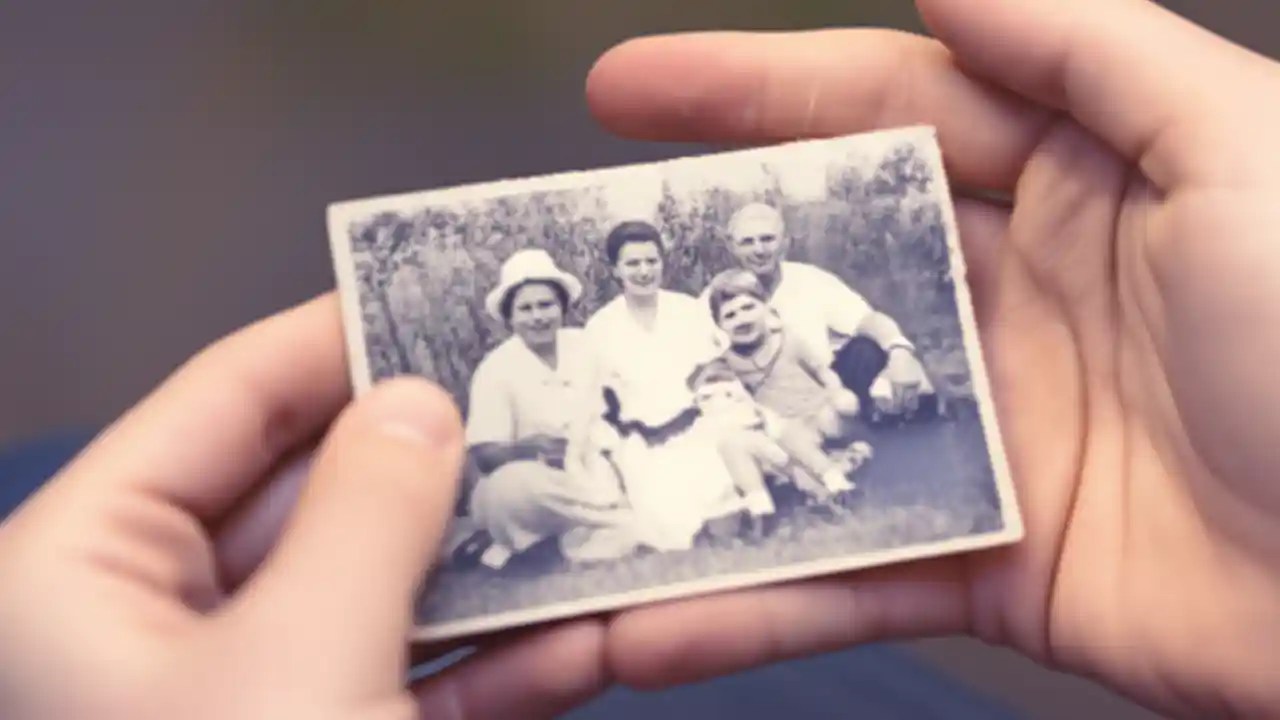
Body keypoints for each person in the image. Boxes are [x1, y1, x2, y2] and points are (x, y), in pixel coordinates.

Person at [0, 1, 1277, 719]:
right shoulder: (609, 334)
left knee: (50, 486)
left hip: (760, 431)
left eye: (618, 275)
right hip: (599, 470)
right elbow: (599, 412)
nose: (616, 290)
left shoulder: (761, 293)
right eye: (588, 282)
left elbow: (831, 343)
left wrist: (844, 370)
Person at [566, 220, 743, 552]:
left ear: (663, 262)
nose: (644, 271)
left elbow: (717, 372)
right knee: (673, 535)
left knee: (725, 525)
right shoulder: (601, 328)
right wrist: (583, 458)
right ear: (615, 269)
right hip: (643, 445)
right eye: (633, 263)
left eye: (652, 261)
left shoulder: (687, 310)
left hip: (698, 431)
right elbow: (589, 403)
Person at [462, 248, 640, 570]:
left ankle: (531, 550)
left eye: (546, 305)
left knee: (636, 505)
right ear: (509, 317)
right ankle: (538, 537)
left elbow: (620, 402)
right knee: (509, 488)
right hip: (536, 482)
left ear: (562, 307)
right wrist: (530, 448)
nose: (538, 317)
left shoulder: (584, 345)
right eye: (525, 309)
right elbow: (485, 455)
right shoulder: (496, 369)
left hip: (590, 469)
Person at [703, 268, 869, 504]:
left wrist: (837, 392)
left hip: (818, 416)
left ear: (767, 309)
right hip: (783, 430)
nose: (742, 319)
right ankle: (826, 491)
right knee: (778, 442)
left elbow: (822, 372)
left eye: (749, 308)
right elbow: (717, 391)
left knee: (836, 412)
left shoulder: (789, 341)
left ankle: (835, 466)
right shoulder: (729, 362)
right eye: (730, 316)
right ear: (719, 326)